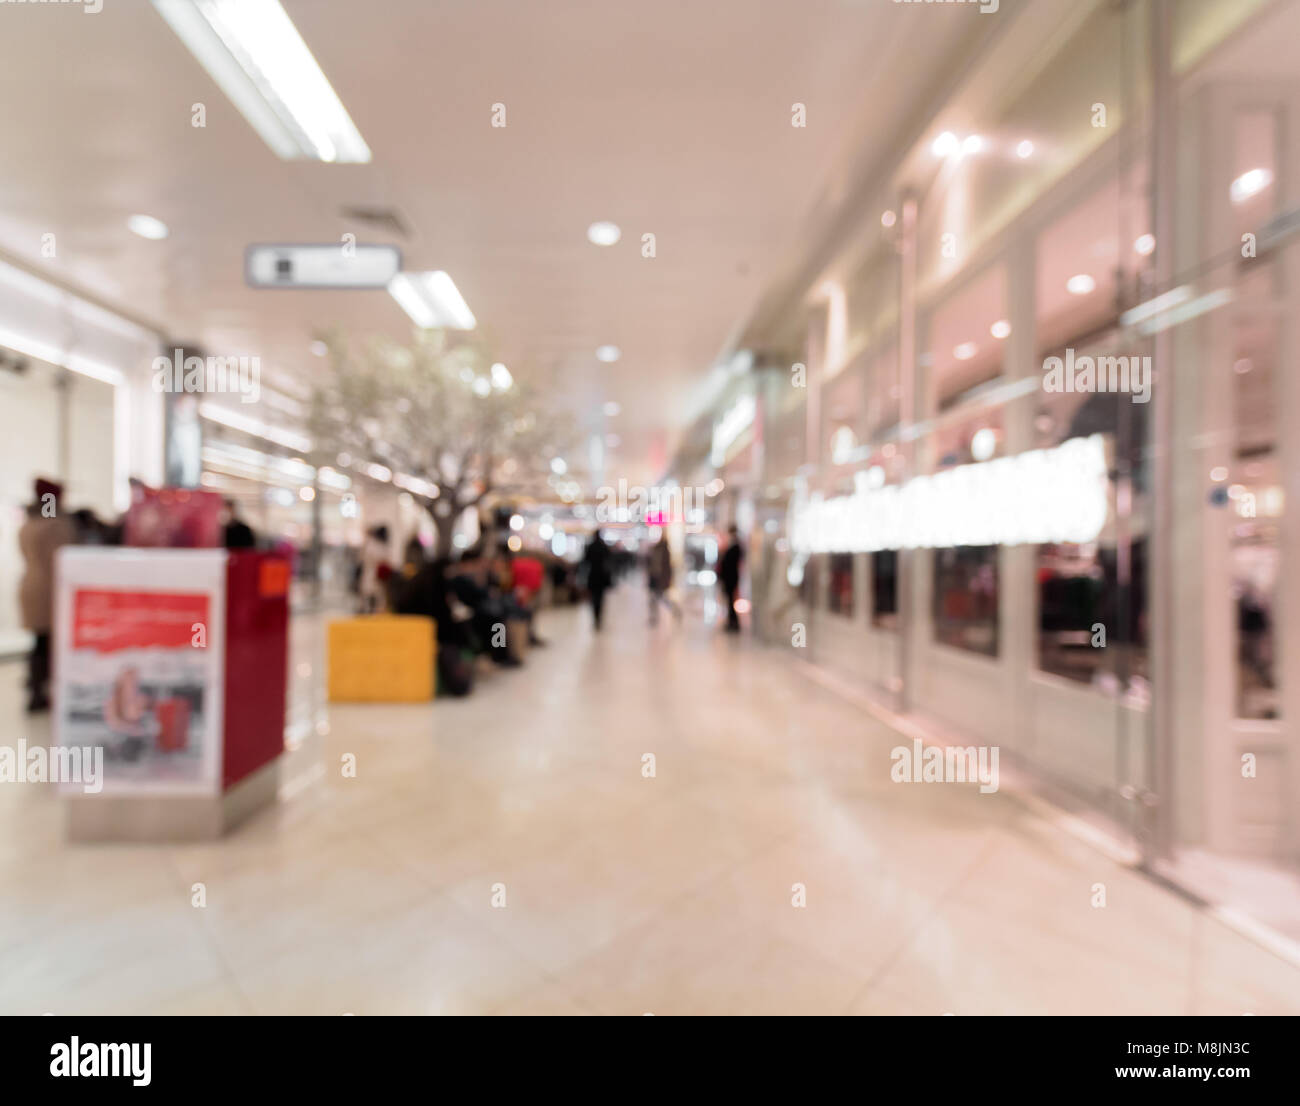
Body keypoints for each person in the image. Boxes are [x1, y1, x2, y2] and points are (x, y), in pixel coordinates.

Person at [17, 478, 75, 712]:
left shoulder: (29, 523)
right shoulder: (52, 524)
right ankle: (41, 692)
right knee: (49, 644)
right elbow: (62, 556)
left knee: (40, 642)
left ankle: (35, 690)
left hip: (31, 586)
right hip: (48, 591)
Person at [581, 529, 612, 631]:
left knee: (594, 597)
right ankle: (599, 618)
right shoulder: (604, 547)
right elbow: (609, 560)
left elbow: (585, 561)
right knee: (600, 598)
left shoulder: (590, 546)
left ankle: (595, 618)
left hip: (593, 575)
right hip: (602, 576)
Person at [647, 532, 680, 626]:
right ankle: (653, 617)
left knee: (662, 598)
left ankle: (675, 610)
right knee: (653, 598)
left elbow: (668, 568)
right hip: (654, 577)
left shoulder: (666, 552)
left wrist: (668, 580)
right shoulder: (656, 549)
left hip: (660, 578)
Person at [718, 524, 744, 634]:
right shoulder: (733, 546)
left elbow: (731, 565)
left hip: (731, 579)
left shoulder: (735, 546)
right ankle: (732, 622)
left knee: (731, 601)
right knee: (729, 601)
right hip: (730, 578)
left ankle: (734, 623)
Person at [358, 525, 390, 613]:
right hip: (371, 575)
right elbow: (380, 559)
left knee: (375, 598)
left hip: (375, 577)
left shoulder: (375, 545)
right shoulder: (373, 545)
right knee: (369, 598)